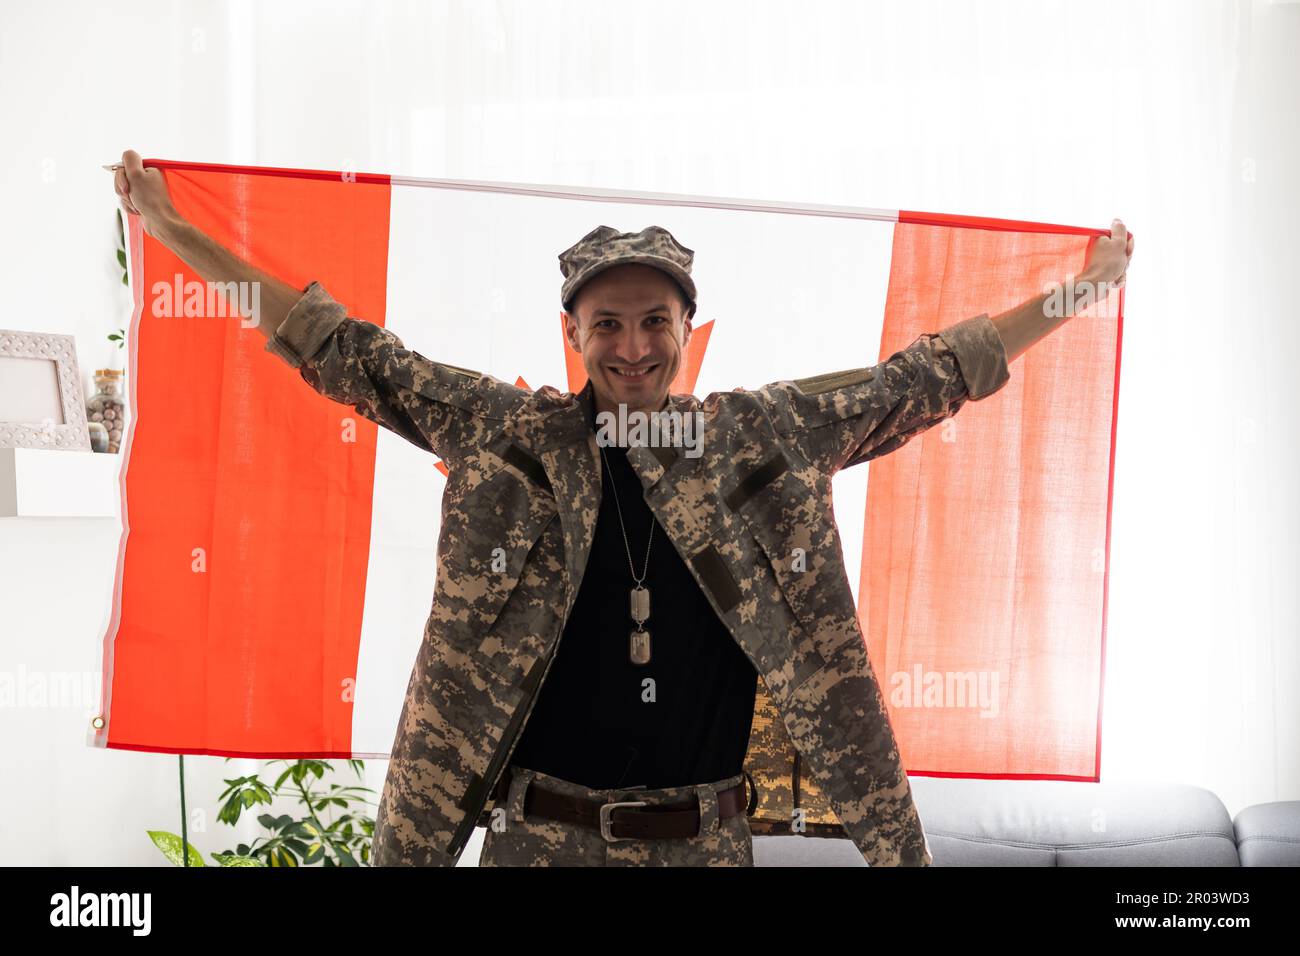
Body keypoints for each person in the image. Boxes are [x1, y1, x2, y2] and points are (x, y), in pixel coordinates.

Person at [113, 149, 1133, 866]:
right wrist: (168, 226)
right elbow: (336, 348)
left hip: (702, 842)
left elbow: (931, 374)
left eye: (655, 320)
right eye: (607, 323)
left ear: (691, 326)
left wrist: (1082, 290)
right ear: (572, 332)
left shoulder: (760, 436)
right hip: (533, 841)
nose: (632, 345)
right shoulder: (500, 433)